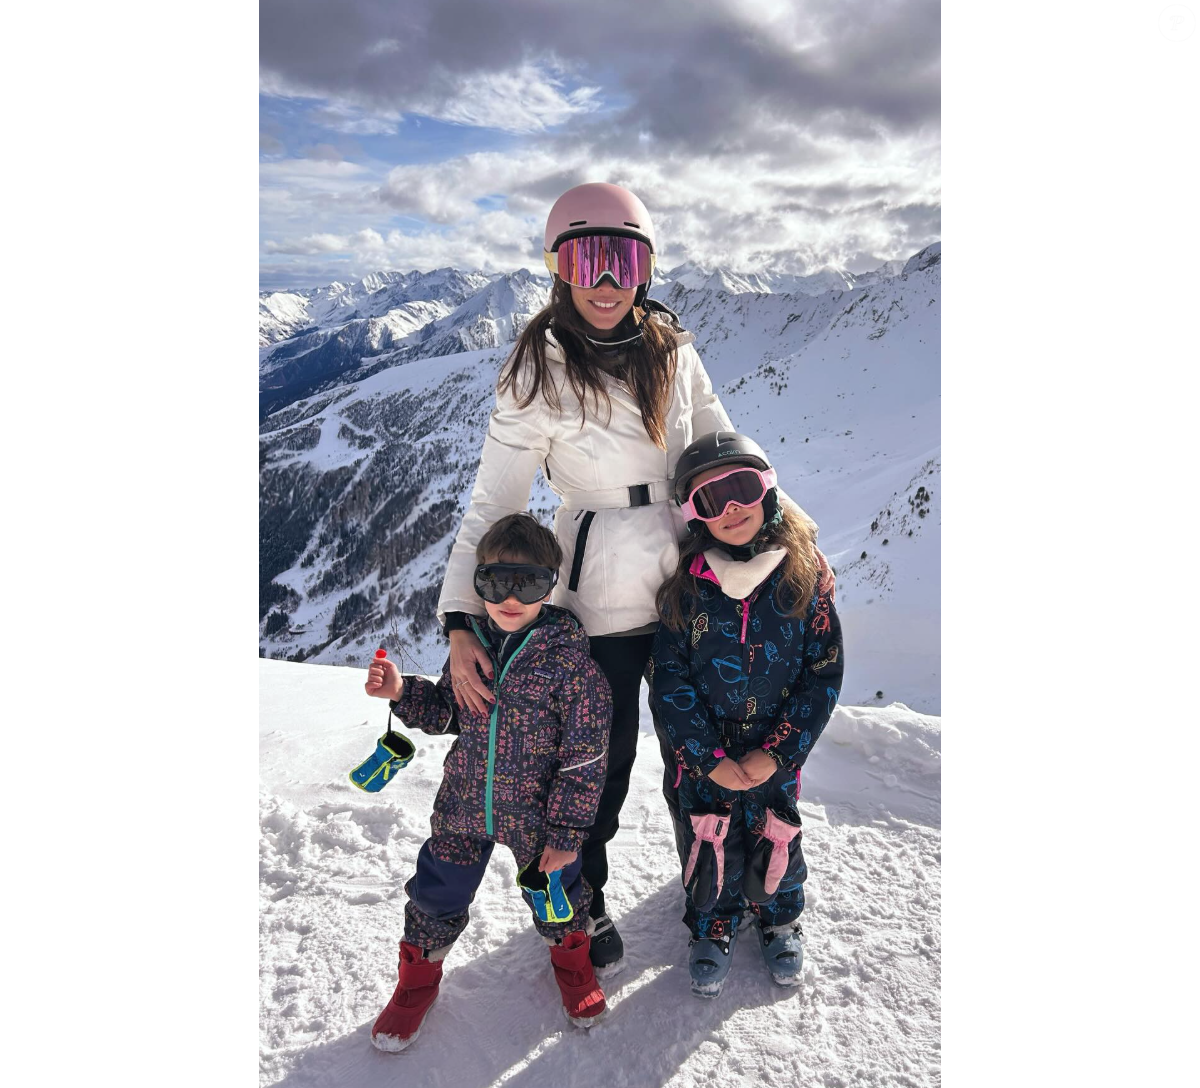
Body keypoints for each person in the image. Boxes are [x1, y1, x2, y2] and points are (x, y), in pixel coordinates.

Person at [365, 513, 612, 1050]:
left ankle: (573, 966)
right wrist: (401, 693)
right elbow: (450, 712)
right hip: (462, 806)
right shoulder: (472, 648)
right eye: (495, 582)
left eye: (529, 583)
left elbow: (584, 757)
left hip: (536, 816)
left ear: (551, 586)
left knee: (558, 898)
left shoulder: (570, 664)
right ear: (478, 584)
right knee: (435, 894)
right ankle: (416, 984)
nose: (510, 597)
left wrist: (567, 833)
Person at [648, 431, 844, 999]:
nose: (731, 509)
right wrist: (706, 758)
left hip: (773, 753)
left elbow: (822, 673)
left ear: (769, 492)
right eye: (711, 499)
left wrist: (778, 751)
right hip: (706, 759)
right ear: (694, 515)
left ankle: (779, 917)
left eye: (742, 488)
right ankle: (712, 925)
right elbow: (670, 681)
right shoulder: (687, 590)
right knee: (710, 838)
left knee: (776, 834)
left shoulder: (803, 577)